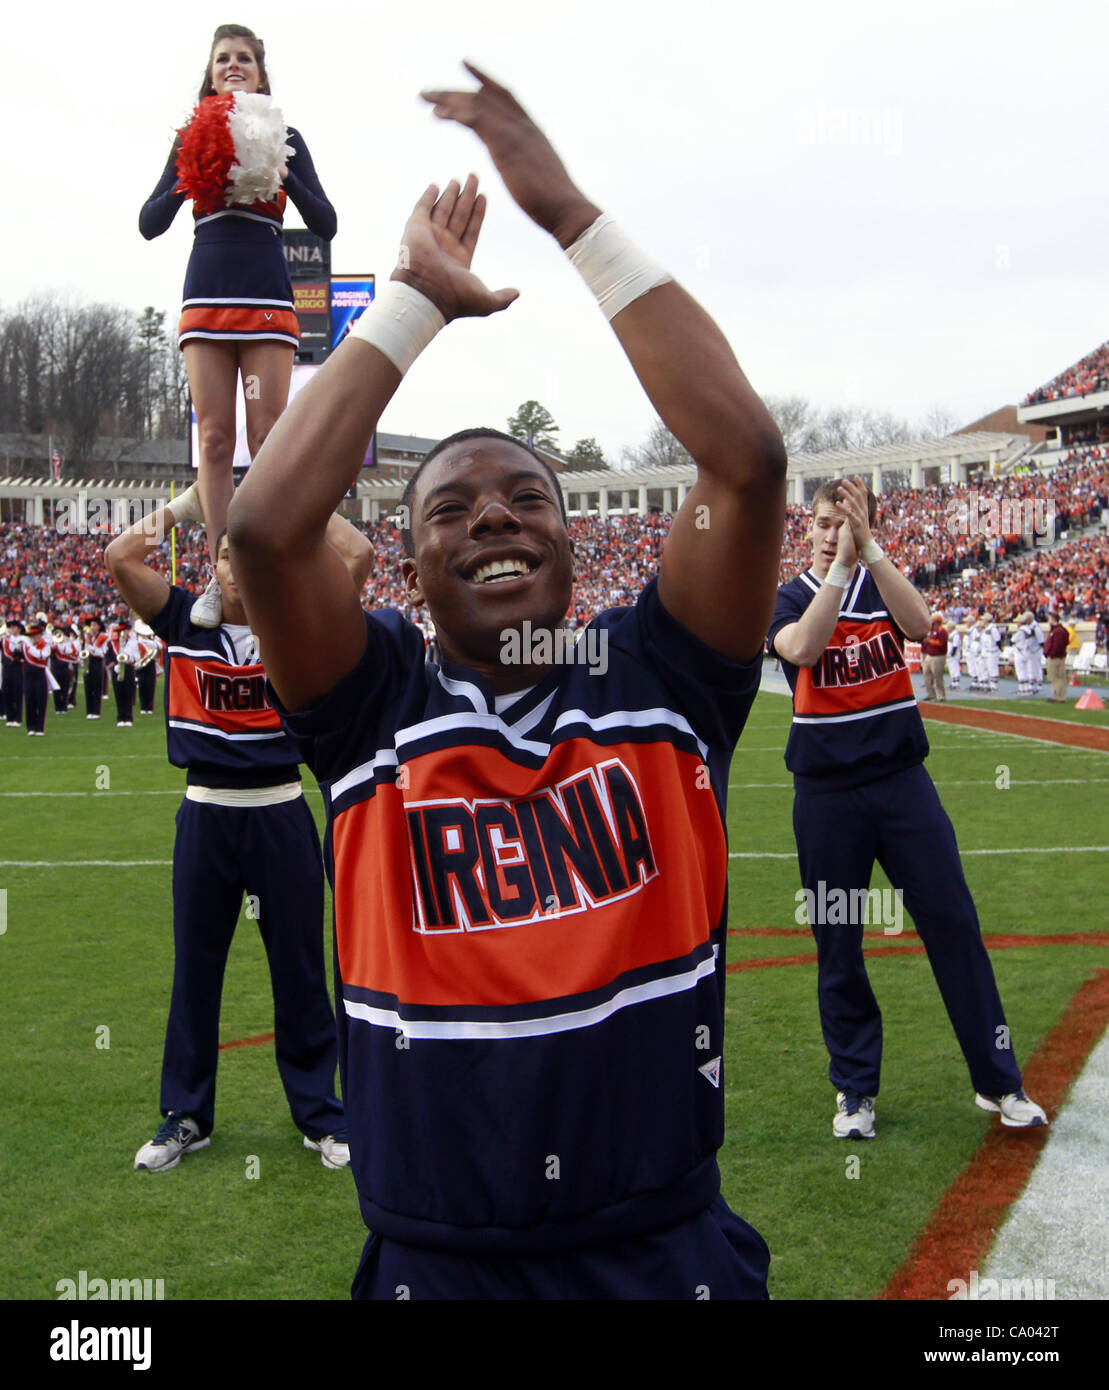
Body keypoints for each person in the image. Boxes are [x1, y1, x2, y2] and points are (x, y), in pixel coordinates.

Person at [228, 64, 787, 1299]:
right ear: (411, 567)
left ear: (573, 544)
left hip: (664, 1253)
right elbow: (267, 532)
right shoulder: (375, 705)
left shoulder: (659, 677)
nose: (493, 517)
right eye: (451, 509)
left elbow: (744, 460)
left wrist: (569, 214)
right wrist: (414, 302)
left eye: (525, 496)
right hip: (441, 1264)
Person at [768, 476, 1047, 1140]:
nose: (833, 532)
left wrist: (871, 553)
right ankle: (854, 1092)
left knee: (953, 926)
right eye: (824, 522)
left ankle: (998, 1081)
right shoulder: (784, 598)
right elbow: (803, 649)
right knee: (838, 945)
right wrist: (840, 567)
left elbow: (922, 625)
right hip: (827, 795)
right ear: (805, 529)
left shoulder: (879, 581)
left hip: (902, 784)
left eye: (846, 521)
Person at [104, 490, 369, 1173]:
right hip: (205, 812)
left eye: (244, 549)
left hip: (281, 809)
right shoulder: (183, 623)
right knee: (196, 971)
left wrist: (292, 502)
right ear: (212, 564)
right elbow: (118, 555)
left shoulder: (297, 620)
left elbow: (358, 554)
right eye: (223, 552)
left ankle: (320, 1115)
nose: (232, 564)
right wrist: (189, 505)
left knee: (302, 972)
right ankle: (185, 1116)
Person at [139, 23, 336, 627]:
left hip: (266, 294)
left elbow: (325, 222)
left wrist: (283, 169)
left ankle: (281, 559)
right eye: (223, 57)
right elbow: (149, 223)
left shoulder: (287, 134)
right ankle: (222, 576)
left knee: (269, 431)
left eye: (244, 58)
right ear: (210, 69)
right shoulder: (188, 135)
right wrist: (188, 170)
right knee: (216, 440)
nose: (233, 65)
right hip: (207, 292)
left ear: (261, 71)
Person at [83, 617, 110, 719]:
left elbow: (102, 652)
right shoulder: (87, 637)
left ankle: (96, 711)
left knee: (97, 687)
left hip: (97, 663)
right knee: (88, 686)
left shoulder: (103, 637)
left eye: (94, 625)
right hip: (88, 661)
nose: (92, 627)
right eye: (91, 625)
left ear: (99, 626)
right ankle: (89, 711)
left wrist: (91, 648)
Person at [2, 618, 25, 726]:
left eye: (14, 627)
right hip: (7, 669)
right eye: (10, 627)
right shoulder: (5, 639)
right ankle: (9, 718)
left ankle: (17, 718)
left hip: (17, 668)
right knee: (7, 692)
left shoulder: (24, 639)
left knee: (17, 692)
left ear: (19, 629)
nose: (12, 629)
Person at [920, 612, 947, 701]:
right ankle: (931, 694)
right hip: (929, 655)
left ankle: (941, 695)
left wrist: (930, 641)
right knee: (926, 675)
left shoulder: (942, 631)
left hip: (938, 656)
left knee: (938, 676)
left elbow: (941, 643)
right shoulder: (930, 630)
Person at [1043, 612, 1069, 701]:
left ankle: (1058, 696)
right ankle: (1061, 696)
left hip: (1056, 657)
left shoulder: (1058, 631)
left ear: (1053, 619)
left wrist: (1052, 653)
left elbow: (1058, 645)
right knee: (1060, 677)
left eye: (1049, 618)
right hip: (1059, 656)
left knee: (1055, 677)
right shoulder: (1059, 630)